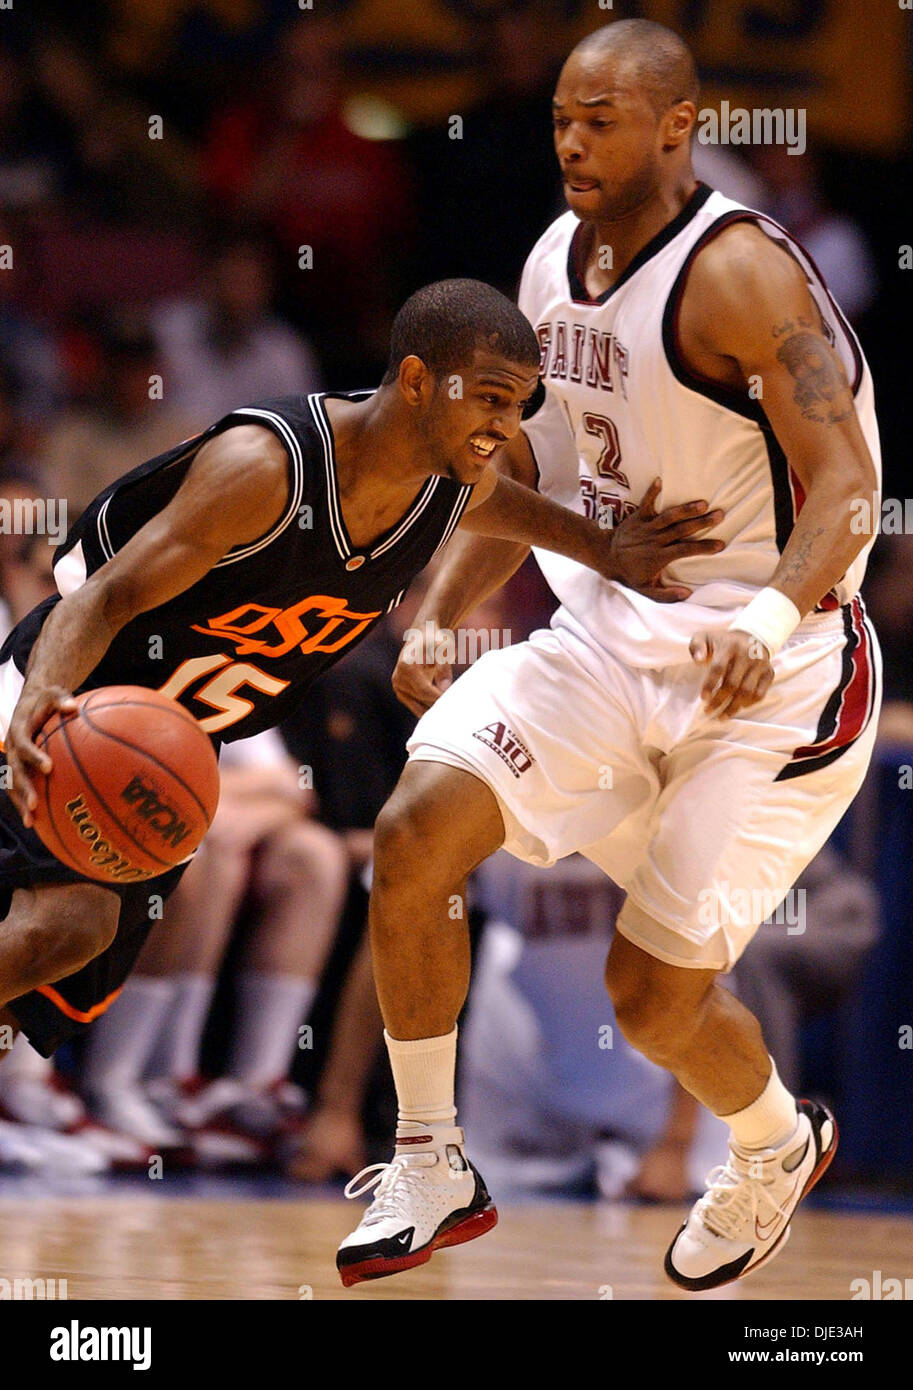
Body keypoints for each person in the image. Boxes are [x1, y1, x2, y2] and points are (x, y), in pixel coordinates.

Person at [337, 21, 882, 1292]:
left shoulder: (738, 273)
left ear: (679, 126)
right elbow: (524, 465)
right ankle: (428, 1156)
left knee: (651, 999)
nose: (574, 141)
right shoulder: (551, 263)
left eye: (602, 118)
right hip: (609, 632)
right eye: (562, 121)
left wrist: (764, 621)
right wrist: (447, 607)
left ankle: (770, 1144)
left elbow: (848, 486)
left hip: (777, 672)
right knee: (415, 829)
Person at [0, 277, 720, 1091]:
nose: (504, 428)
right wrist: (36, 702)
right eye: (487, 398)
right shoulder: (267, 467)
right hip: (72, 699)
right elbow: (105, 596)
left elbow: (503, 508)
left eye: (519, 406)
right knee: (64, 928)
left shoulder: (446, 484)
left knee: (34, 990)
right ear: (416, 380)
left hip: (168, 746)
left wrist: (605, 551)